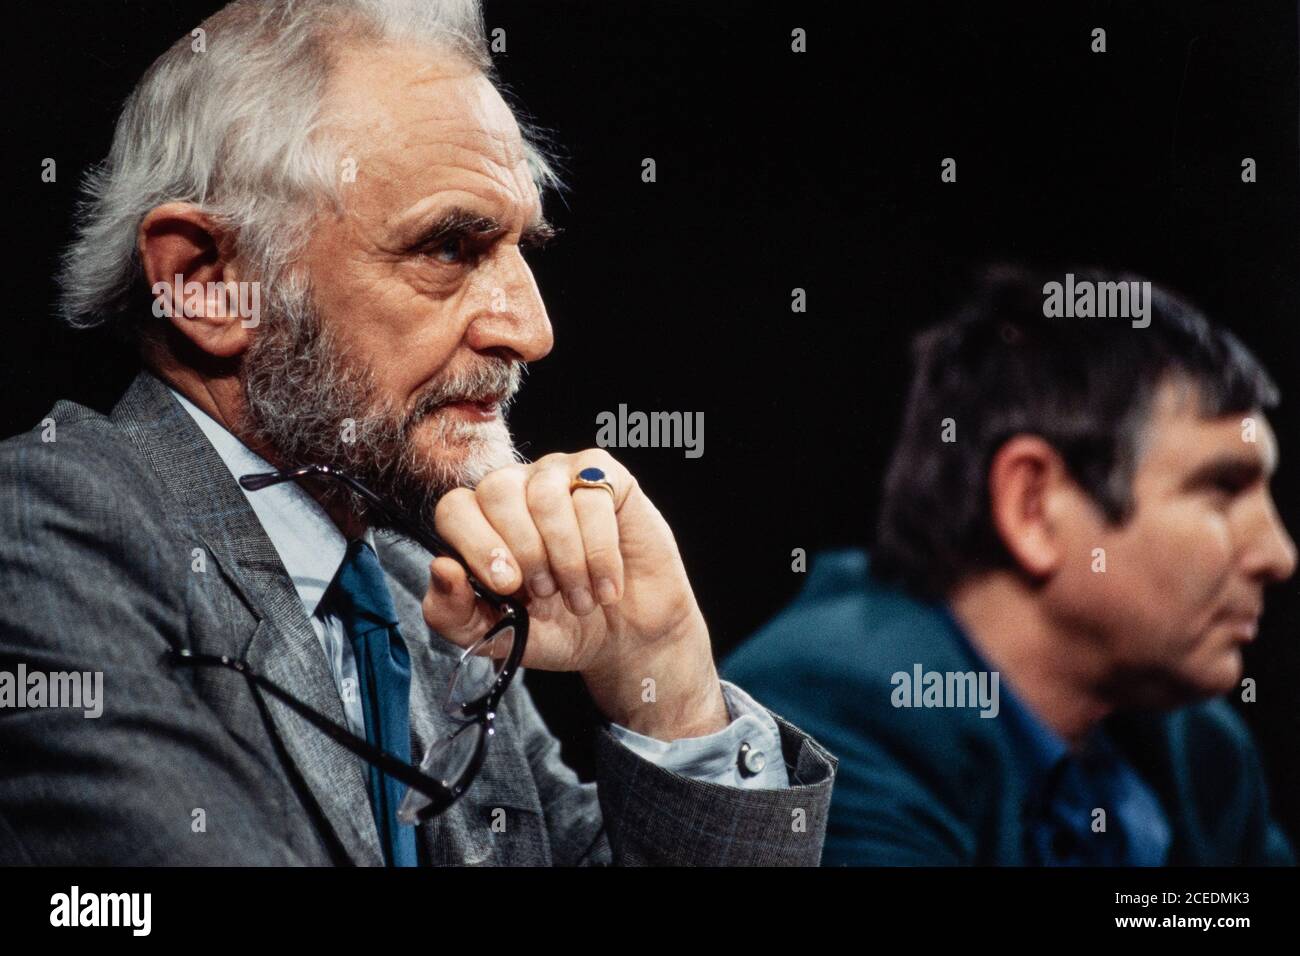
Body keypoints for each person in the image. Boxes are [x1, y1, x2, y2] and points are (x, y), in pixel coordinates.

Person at [0, 0, 834, 866]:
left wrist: (670, 686)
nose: (531, 330)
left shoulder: (416, 594)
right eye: (449, 248)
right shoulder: (41, 532)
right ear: (207, 282)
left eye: (521, 251)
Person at [726, 267, 1296, 865]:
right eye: (1223, 489)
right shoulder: (829, 715)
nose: (1278, 556)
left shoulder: (1200, 747)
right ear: (1034, 506)